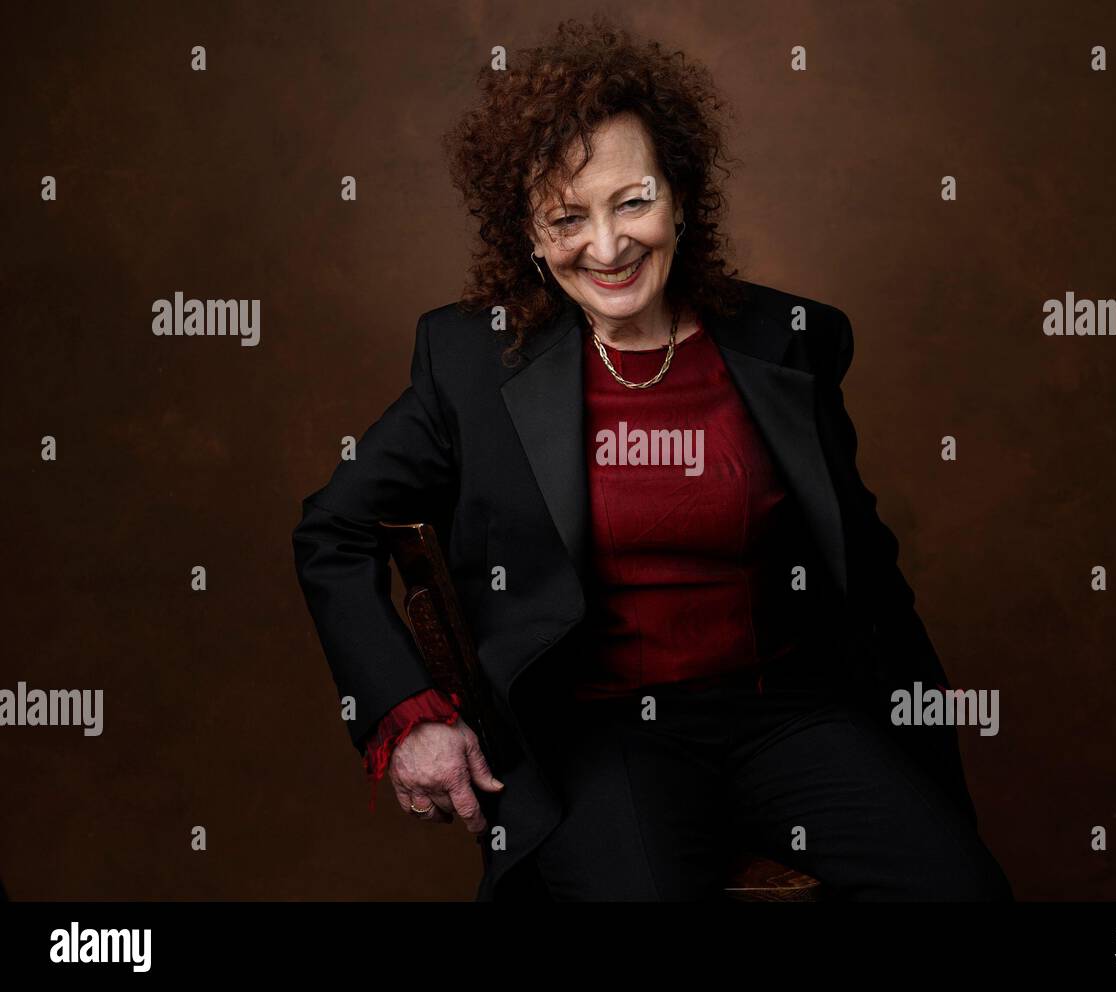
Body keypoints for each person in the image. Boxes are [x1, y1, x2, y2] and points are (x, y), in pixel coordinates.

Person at [292, 15, 1013, 902]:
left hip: (784, 712)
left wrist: (919, 732)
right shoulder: (471, 363)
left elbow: (863, 566)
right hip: (599, 735)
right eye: (567, 217)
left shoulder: (792, 340)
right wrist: (407, 719)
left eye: (633, 201)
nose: (607, 246)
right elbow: (333, 528)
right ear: (528, 233)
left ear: (680, 193)